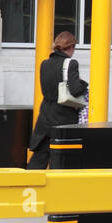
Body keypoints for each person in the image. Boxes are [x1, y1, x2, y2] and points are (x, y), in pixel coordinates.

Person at [27, 30, 87, 169]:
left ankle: (28, 186)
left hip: (46, 116)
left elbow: (44, 90)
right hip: (63, 118)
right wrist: (83, 84)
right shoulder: (71, 64)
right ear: (71, 47)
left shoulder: (45, 64)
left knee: (39, 158)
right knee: (60, 159)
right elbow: (75, 90)